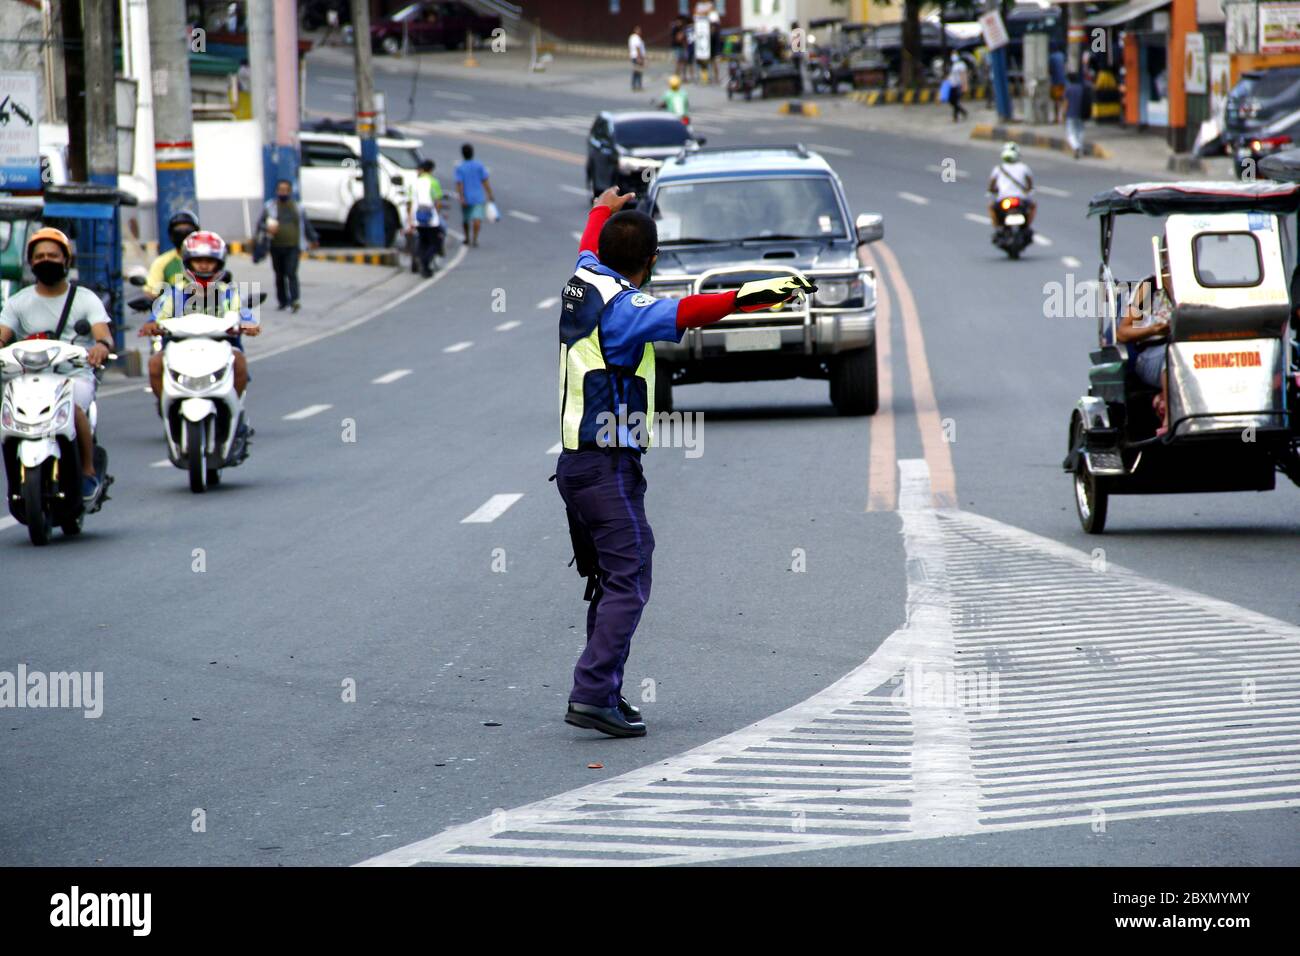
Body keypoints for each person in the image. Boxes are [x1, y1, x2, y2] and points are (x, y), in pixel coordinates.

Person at [556, 187, 816, 738]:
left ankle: (605, 691)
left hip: (577, 466)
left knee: (609, 580)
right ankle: (591, 692)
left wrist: (601, 207)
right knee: (629, 578)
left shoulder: (582, 280)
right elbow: (693, 310)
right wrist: (764, 293)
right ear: (650, 262)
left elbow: (588, 242)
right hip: (607, 468)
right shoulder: (626, 310)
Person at [0, 227, 113, 503]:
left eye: (53, 254)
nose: (46, 260)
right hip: (26, 378)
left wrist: (101, 347)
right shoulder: (18, 302)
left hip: (73, 375)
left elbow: (103, 334)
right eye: (40, 256)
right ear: (31, 261)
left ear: (66, 260)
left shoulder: (85, 298)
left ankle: (87, 472)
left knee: (73, 410)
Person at [138, 230, 260, 405]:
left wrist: (250, 324)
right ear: (188, 263)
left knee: (239, 362)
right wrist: (151, 324)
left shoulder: (229, 293)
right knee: (155, 364)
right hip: (179, 348)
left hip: (221, 348)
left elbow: (243, 312)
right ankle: (166, 406)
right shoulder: (175, 291)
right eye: (198, 261)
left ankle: (235, 408)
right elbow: (158, 315)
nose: (204, 266)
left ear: (219, 264)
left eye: (209, 261)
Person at [1118, 249, 1174, 436]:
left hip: (1193, 349)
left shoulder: (1202, 284)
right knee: (1174, 353)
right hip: (1152, 354)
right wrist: (1154, 329)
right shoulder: (1150, 288)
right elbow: (1122, 333)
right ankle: (1169, 421)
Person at [259, 179, 319, 312]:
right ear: (276, 191)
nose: (283, 192)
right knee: (279, 274)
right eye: (281, 190)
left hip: (293, 246)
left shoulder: (298, 207)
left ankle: (295, 300)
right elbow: (260, 225)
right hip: (276, 246)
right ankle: (283, 301)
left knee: (291, 272)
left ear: (290, 192)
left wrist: (313, 238)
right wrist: (267, 228)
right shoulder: (270, 207)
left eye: (286, 190)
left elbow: (306, 225)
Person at [145, 209, 200, 298]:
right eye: (179, 230)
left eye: (187, 229)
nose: (183, 233)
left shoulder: (207, 259)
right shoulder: (162, 262)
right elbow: (151, 291)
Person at [408, 158, 446, 277]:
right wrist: (438, 213)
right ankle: (425, 262)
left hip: (416, 218)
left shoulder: (414, 183)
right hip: (431, 219)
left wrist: (410, 219)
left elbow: (410, 203)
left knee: (423, 242)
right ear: (431, 170)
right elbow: (438, 202)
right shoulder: (433, 182)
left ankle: (421, 262)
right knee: (435, 243)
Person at [987, 141, 1035, 232]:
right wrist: (1029, 190)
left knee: (991, 207)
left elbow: (991, 185)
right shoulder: (1024, 167)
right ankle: (1028, 225)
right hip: (1020, 198)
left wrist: (991, 190)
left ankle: (997, 227)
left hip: (1003, 198)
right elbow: (1030, 184)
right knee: (1033, 205)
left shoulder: (998, 168)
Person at [454, 143, 495, 248]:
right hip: (478, 196)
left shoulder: (460, 167)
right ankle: (475, 238)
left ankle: (467, 237)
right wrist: (490, 193)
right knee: (477, 219)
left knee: (466, 219)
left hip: (466, 197)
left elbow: (459, 184)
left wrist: (461, 197)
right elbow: (485, 181)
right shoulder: (479, 165)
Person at [1064, 71, 1091, 159]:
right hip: (1080, 113)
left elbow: (1066, 103)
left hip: (1070, 114)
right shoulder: (1081, 88)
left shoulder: (1068, 89)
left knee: (1070, 133)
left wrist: (1063, 113)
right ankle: (1080, 147)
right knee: (1080, 131)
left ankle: (1076, 147)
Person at [948, 52, 969, 122]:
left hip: (958, 85)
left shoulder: (961, 65)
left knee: (956, 101)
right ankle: (963, 111)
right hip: (952, 85)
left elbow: (963, 75)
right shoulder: (954, 65)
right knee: (951, 101)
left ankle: (955, 117)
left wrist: (965, 85)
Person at [1049, 48, 1067, 123]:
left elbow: (1050, 70)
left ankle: (1056, 118)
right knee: (1063, 99)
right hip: (1063, 80)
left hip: (1055, 81)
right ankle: (1064, 117)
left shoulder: (1051, 57)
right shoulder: (1062, 55)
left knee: (1056, 101)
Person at [628, 25, 646, 92]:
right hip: (637, 56)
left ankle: (635, 85)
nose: (640, 32)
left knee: (637, 71)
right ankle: (638, 85)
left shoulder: (632, 38)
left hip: (634, 56)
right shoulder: (636, 38)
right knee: (638, 71)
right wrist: (639, 58)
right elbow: (637, 48)